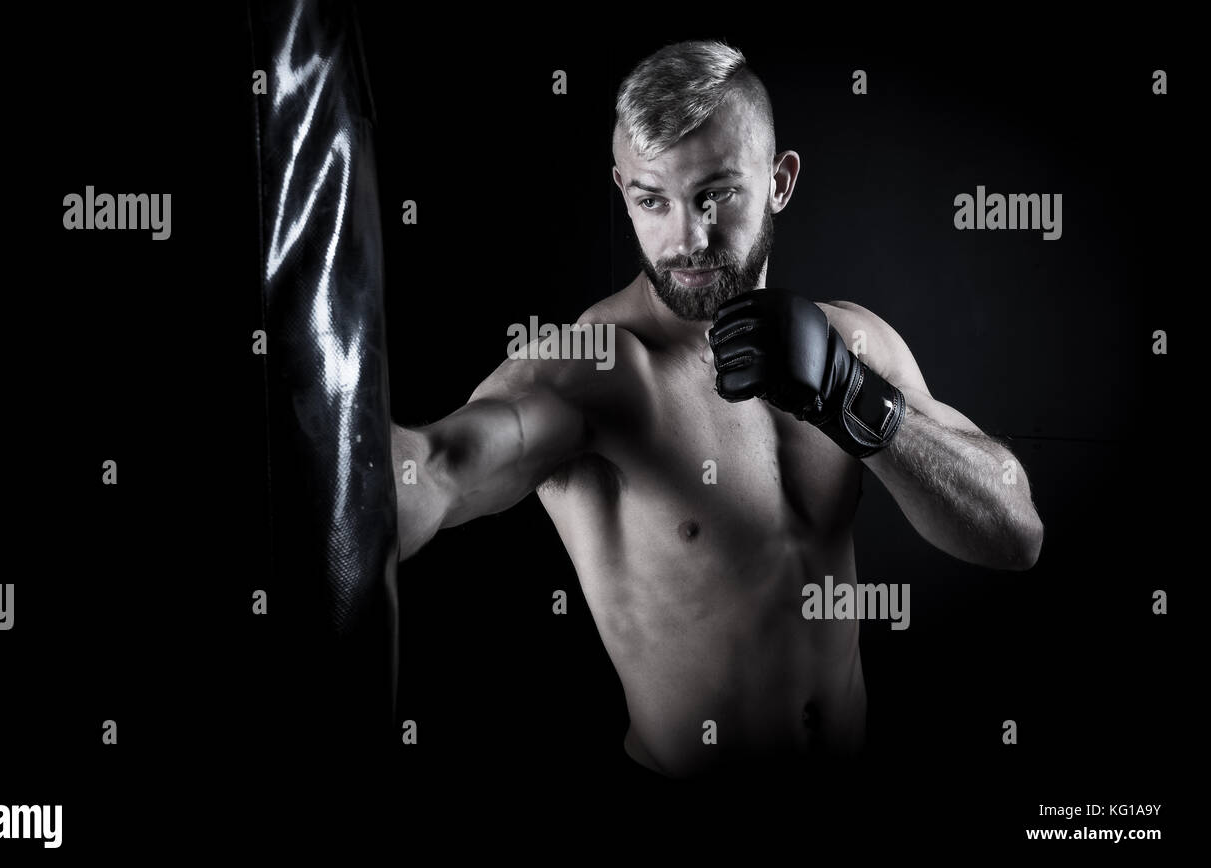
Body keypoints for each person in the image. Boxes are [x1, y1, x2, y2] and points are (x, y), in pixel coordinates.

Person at [390, 40, 1043, 779]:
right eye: (651, 201)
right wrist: (344, 449)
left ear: (780, 181)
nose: (685, 239)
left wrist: (853, 399)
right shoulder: (589, 371)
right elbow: (438, 468)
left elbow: (1015, 531)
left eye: (716, 194)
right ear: (622, 190)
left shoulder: (852, 341)